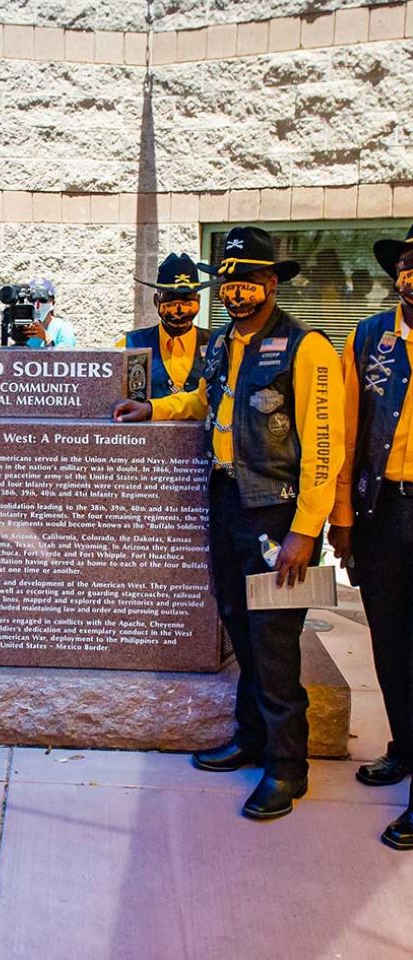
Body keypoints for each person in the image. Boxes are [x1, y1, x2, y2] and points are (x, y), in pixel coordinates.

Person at [114, 226, 345, 820]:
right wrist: (154, 407)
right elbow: (202, 400)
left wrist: (305, 529)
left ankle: (288, 767)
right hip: (225, 501)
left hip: (277, 512)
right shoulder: (221, 345)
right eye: (230, 283)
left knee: (273, 641)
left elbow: (325, 444)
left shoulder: (306, 346)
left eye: (249, 281)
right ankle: (251, 738)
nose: (238, 293)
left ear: (271, 282)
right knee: (238, 626)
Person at [329, 224, 413, 850]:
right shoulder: (368, 336)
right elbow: (348, 430)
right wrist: (343, 514)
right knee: (390, 638)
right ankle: (406, 746)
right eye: (409, 265)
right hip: (383, 509)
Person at [117, 252, 210, 398]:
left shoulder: (218, 345)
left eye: (187, 298)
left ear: (198, 300)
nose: (179, 308)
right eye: (170, 297)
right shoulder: (130, 345)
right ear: (156, 301)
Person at [24, 279, 76, 348]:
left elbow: (66, 356)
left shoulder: (63, 328)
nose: (37, 303)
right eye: (32, 299)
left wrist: (45, 337)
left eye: (42, 299)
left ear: (52, 302)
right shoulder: (26, 329)